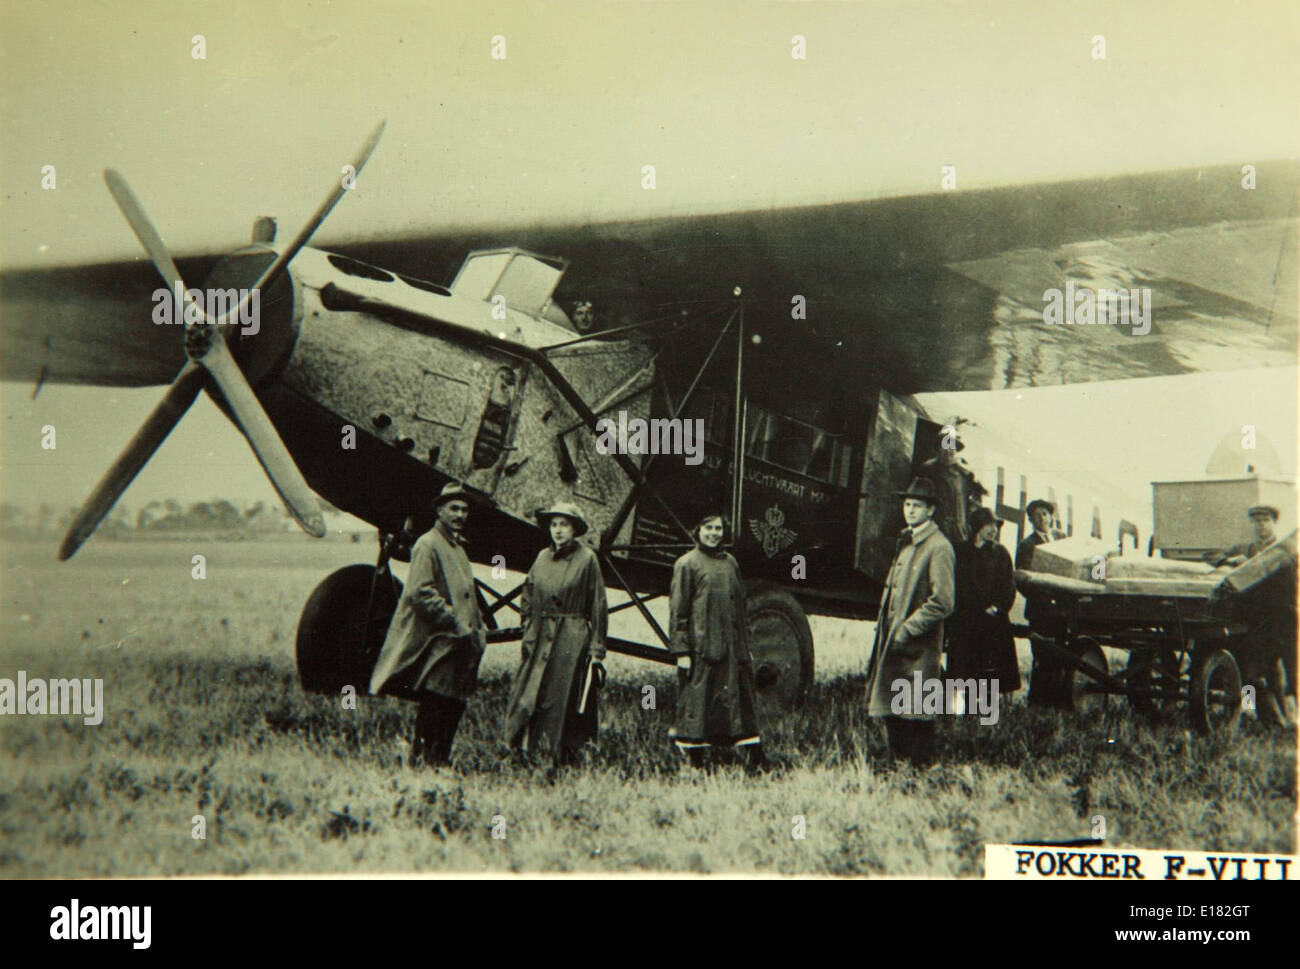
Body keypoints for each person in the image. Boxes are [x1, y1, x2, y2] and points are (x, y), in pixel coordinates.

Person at [369, 483, 486, 767]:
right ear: (439, 510)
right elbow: (420, 592)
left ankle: (439, 760)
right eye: (454, 508)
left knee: (453, 700)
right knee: (438, 700)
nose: (460, 514)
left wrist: (477, 629)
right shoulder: (427, 544)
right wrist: (454, 622)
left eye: (465, 509)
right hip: (443, 638)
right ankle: (424, 760)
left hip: (460, 639)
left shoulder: (455, 546)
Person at [503, 501, 609, 763]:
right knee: (527, 692)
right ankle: (517, 748)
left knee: (559, 698)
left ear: (575, 530)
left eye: (565, 525)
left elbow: (598, 604)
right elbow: (527, 593)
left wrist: (597, 648)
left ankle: (552, 753)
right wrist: (528, 626)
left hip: (569, 637)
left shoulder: (587, 560)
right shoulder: (541, 557)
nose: (558, 530)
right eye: (554, 524)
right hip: (539, 634)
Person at [864, 477, 956, 766]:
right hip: (894, 639)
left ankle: (920, 767)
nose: (911, 510)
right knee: (894, 701)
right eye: (907, 504)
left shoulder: (938, 547)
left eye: (918, 505)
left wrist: (909, 629)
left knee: (917, 706)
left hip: (918, 645)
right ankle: (899, 761)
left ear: (931, 511)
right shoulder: (907, 542)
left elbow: (943, 600)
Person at [668, 513, 766, 772]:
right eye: (708, 528)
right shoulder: (686, 564)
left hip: (733, 648)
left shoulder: (730, 563)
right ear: (697, 530)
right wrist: (681, 650)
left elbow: (741, 606)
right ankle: (695, 759)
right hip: (703, 646)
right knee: (698, 701)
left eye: (718, 528)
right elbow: (679, 611)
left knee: (738, 700)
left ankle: (755, 758)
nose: (714, 533)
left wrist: (745, 645)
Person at [948, 507, 1020, 697]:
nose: (993, 529)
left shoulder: (1000, 553)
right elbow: (957, 584)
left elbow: (1008, 586)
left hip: (993, 621)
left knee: (991, 671)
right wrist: (977, 606)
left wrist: (998, 607)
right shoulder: (960, 551)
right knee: (963, 670)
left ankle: (987, 709)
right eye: (988, 525)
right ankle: (959, 711)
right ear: (976, 526)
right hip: (966, 619)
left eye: (995, 525)